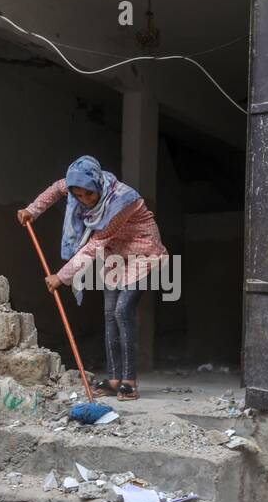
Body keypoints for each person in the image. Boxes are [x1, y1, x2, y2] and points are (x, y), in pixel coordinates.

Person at [17, 155, 168, 400]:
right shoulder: (77, 185)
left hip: (143, 251)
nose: (85, 200)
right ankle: (113, 379)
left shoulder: (122, 201)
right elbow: (57, 189)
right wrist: (31, 211)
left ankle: (129, 382)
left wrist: (61, 277)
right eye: (79, 195)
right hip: (116, 252)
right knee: (109, 314)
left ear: (98, 185)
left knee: (122, 311)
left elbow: (94, 245)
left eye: (89, 195)